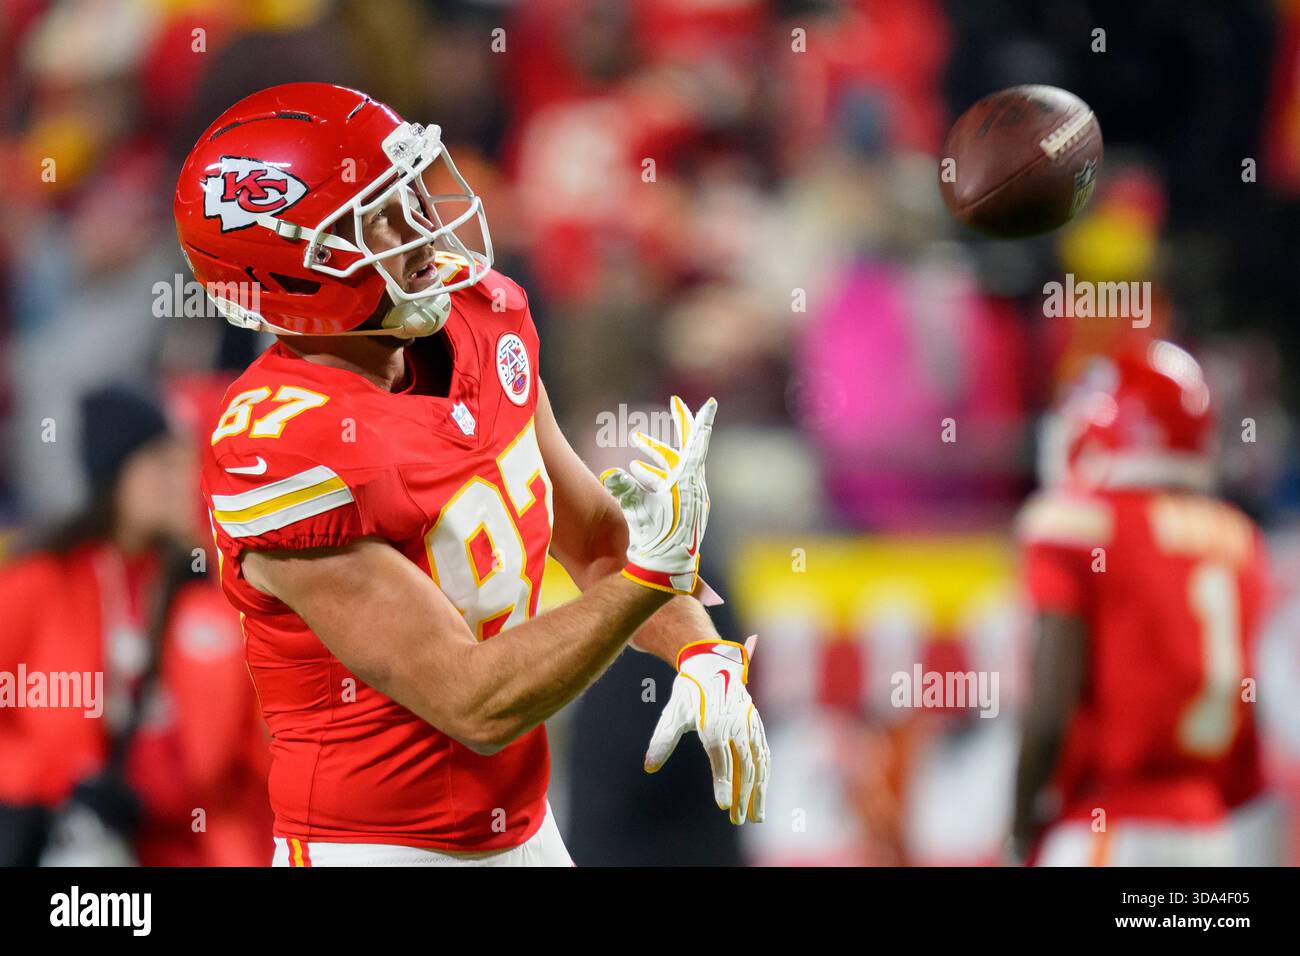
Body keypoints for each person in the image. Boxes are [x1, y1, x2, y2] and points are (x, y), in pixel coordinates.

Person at [173, 83, 770, 866]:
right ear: (294, 270)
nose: (420, 228)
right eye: (377, 217)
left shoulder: (477, 318)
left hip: (522, 824)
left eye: (409, 193)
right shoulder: (286, 449)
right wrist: (651, 578)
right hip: (379, 848)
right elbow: (471, 700)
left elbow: (593, 541)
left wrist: (698, 648)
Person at [1010, 340, 1269, 866]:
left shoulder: (1083, 525)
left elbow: (1048, 718)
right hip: (1209, 836)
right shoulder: (1237, 539)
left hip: (1109, 827)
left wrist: (1016, 833)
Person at [0, 384, 271, 866]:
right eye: (160, 463)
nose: (180, 480)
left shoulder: (210, 587)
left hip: (200, 846)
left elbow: (256, 747)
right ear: (115, 476)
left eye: (182, 462)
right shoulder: (40, 583)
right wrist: (64, 782)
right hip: (74, 840)